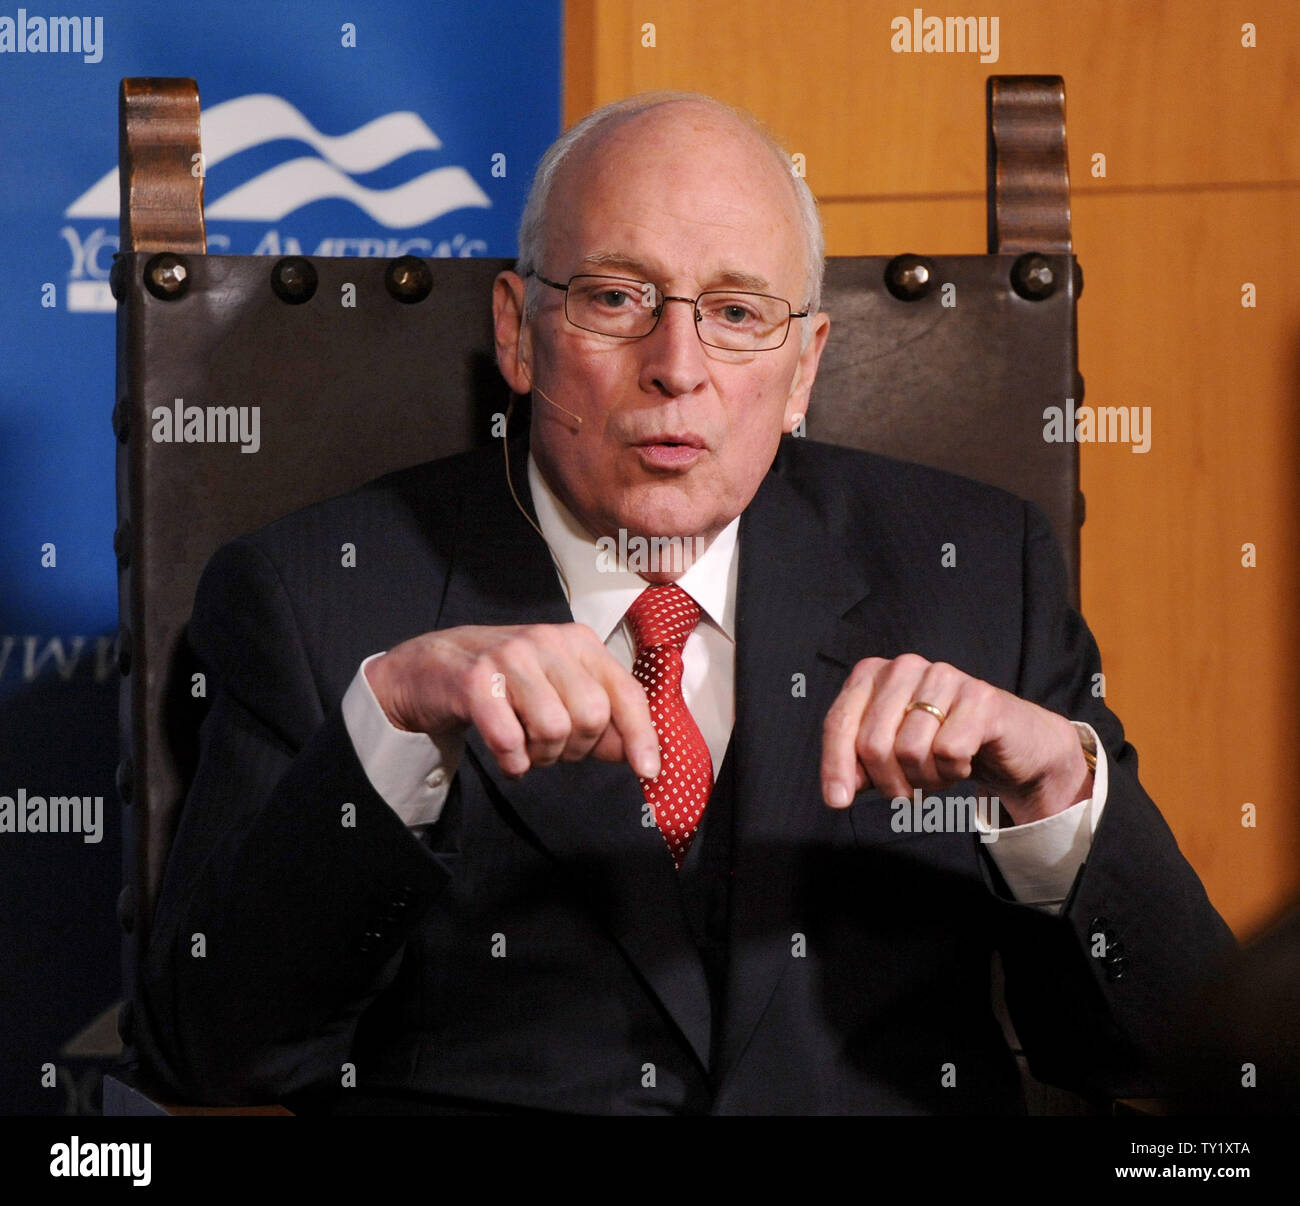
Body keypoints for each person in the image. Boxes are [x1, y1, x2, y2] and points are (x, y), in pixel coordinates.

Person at [135, 91, 1235, 1114]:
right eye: (616, 297)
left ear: (803, 369)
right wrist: (392, 731)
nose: (677, 366)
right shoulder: (315, 595)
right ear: (517, 332)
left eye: (737, 312)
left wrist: (1056, 798)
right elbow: (207, 1053)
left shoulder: (980, 573)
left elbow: (1195, 1062)